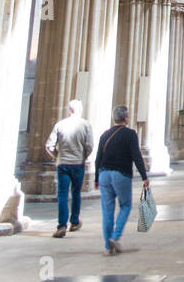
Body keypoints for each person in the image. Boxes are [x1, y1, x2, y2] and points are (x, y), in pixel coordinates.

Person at [94, 105, 149, 255]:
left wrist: (96, 178)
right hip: (121, 174)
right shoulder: (130, 134)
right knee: (125, 205)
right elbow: (136, 156)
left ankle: (107, 247)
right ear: (126, 118)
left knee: (107, 211)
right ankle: (115, 236)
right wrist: (144, 176)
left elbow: (98, 158)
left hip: (104, 173)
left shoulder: (104, 135)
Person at [45, 98, 93, 238]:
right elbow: (89, 145)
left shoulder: (60, 124)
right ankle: (75, 221)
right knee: (76, 193)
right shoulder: (85, 125)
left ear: (69, 110)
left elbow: (49, 146)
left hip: (63, 164)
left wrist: (57, 157)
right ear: (80, 110)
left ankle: (61, 226)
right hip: (78, 163)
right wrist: (83, 156)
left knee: (62, 195)